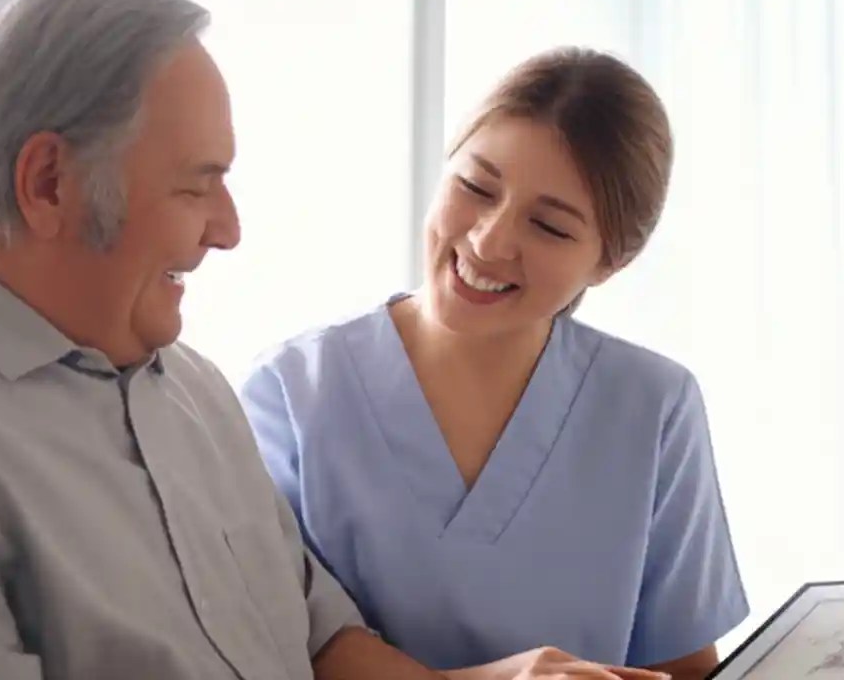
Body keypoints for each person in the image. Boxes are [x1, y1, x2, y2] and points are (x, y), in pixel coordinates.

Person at [0, 0, 652, 680]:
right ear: (49, 183)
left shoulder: (188, 390)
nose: (227, 229)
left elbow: (319, 637)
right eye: (197, 186)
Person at [238, 47, 750, 680]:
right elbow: (267, 651)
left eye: (550, 227)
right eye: (475, 187)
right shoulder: (291, 394)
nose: (488, 240)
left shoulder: (654, 408)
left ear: (609, 262)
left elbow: (682, 669)